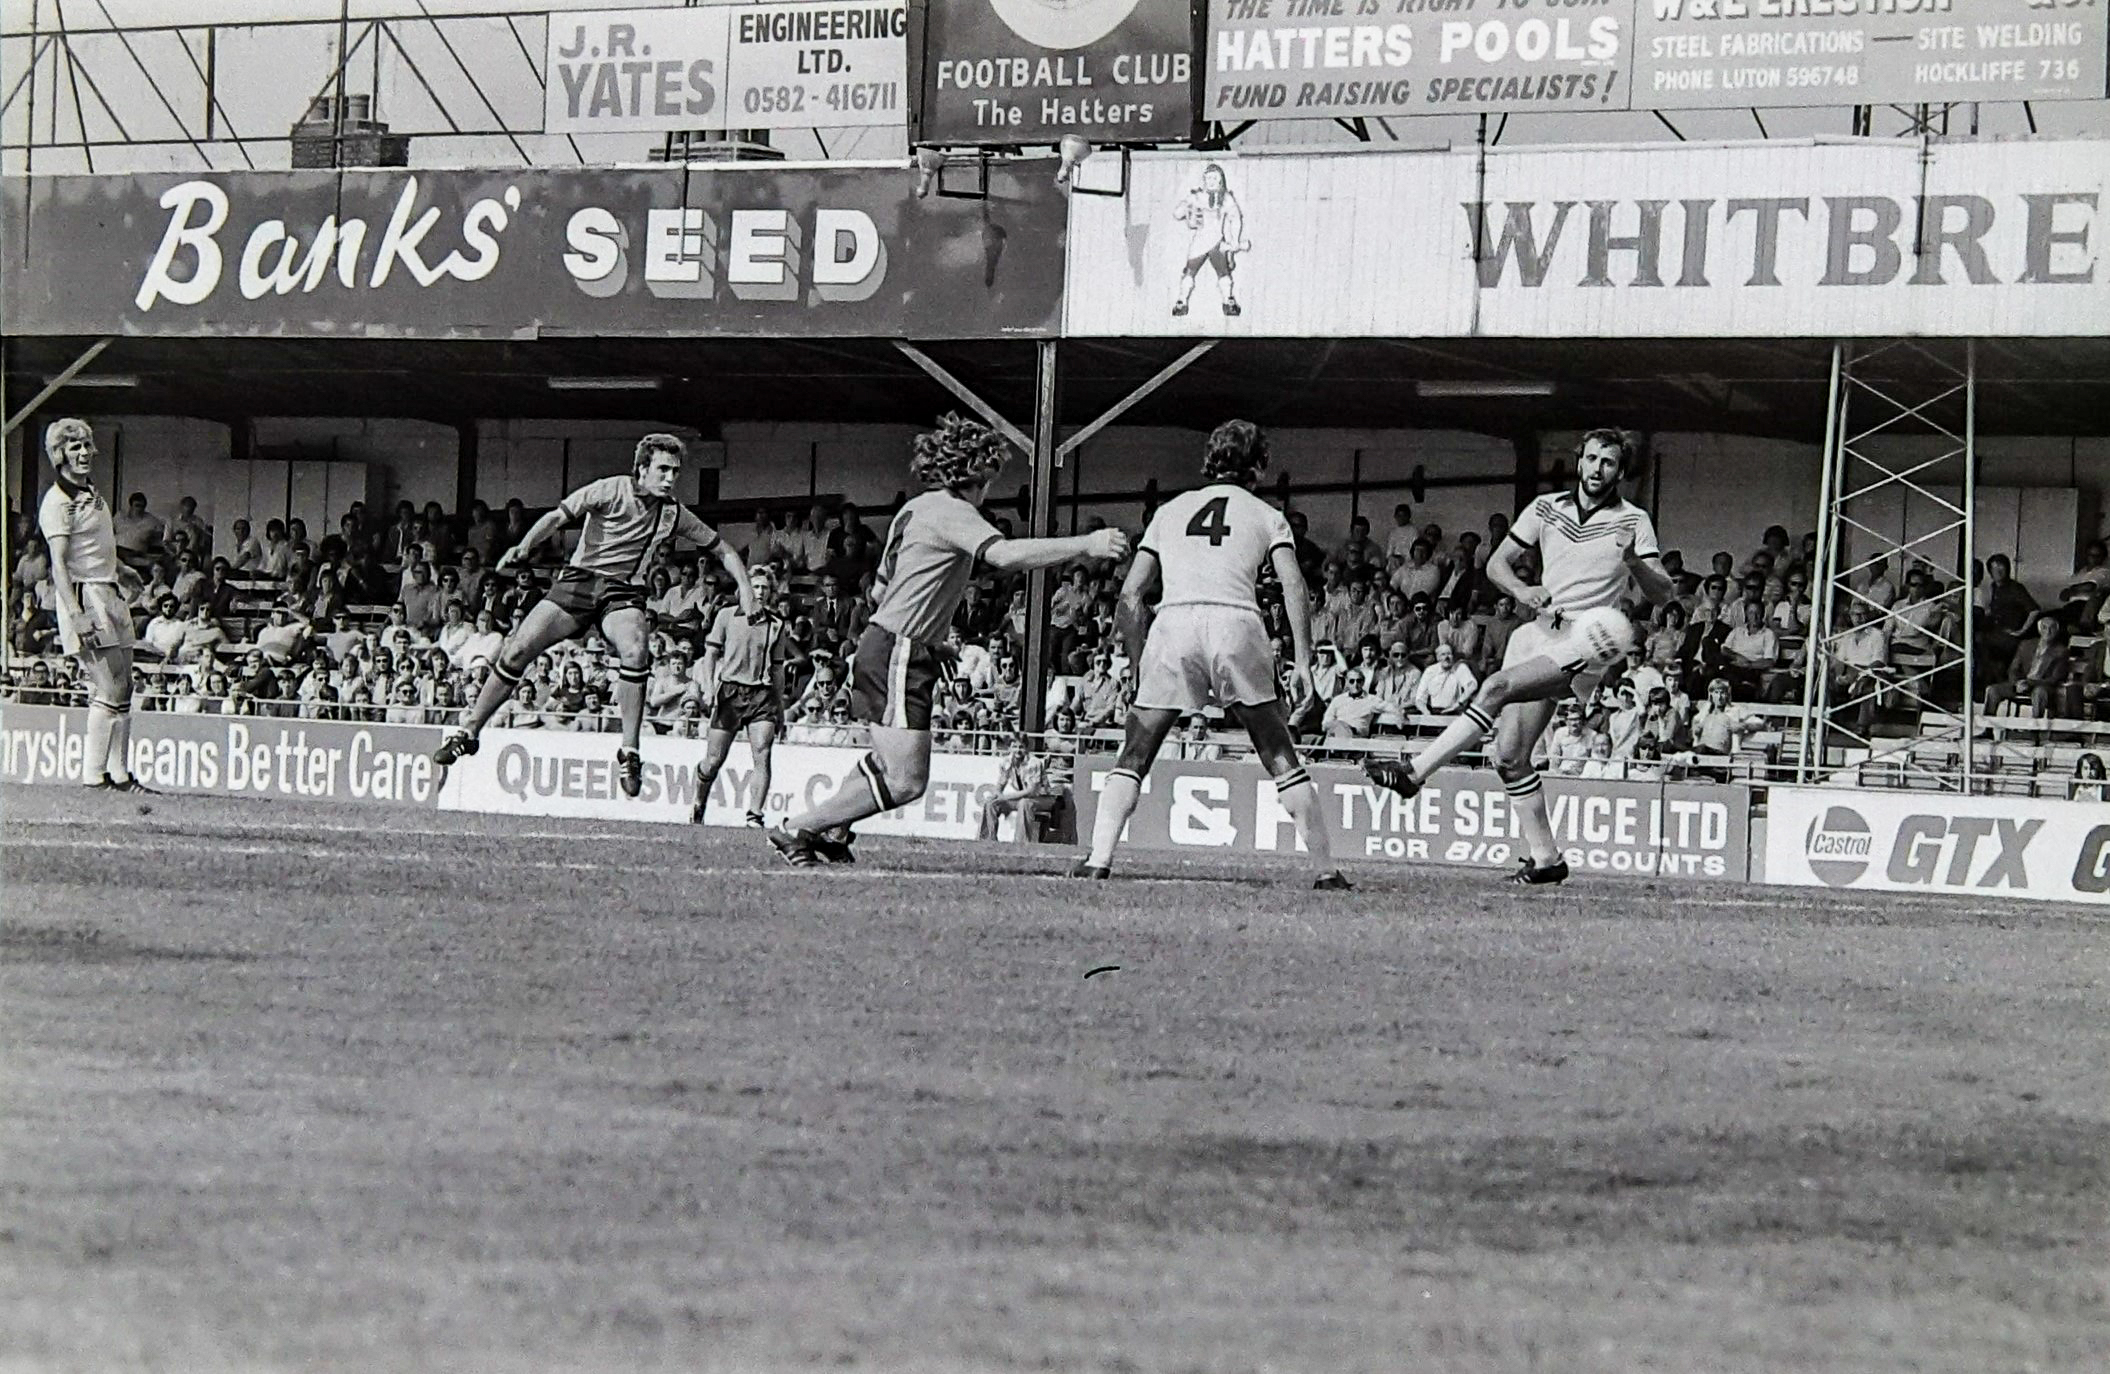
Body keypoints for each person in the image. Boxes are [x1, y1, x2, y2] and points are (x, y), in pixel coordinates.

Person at [769, 414, 1128, 866]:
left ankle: (830, 831)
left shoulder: (915, 508)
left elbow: (882, 587)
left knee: (888, 766)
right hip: (898, 649)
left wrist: (931, 635)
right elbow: (1004, 556)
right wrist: (1086, 544)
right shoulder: (955, 513)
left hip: (893, 644)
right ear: (981, 469)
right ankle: (799, 827)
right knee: (906, 781)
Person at [1363, 429, 1676, 886]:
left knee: (1494, 687)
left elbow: (1664, 592)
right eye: (1590, 458)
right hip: (1535, 633)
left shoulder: (1633, 520)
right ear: (1580, 460)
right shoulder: (1546, 508)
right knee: (1509, 757)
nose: (1596, 469)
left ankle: (1414, 772)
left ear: (1620, 471)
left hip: (1585, 643)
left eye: (1608, 462)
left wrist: (1634, 562)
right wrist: (1522, 589)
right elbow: (1496, 565)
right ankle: (1547, 860)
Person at [1069, 419, 1347, 888]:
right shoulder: (1266, 515)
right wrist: (1302, 660)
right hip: (1235, 620)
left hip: (1174, 620)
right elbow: (1292, 583)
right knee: (1276, 746)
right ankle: (1325, 871)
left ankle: (1098, 860)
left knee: (1137, 748)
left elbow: (1131, 596)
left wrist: (1139, 664)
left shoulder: (1171, 511)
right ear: (1258, 465)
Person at [433, 435, 750, 794]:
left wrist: (747, 591)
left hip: (622, 591)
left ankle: (630, 751)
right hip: (578, 582)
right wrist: (524, 546)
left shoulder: (672, 512)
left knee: (635, 649)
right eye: (662, 469)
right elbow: (557, 516)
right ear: (641, 469)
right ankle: (469, 730)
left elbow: (722, 548)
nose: (669, 478)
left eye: (675, 472)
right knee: (518, 648)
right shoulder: (610, 490)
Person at [36, 419, 156, 791]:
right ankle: (94, 776)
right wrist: (76, 614)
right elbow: (59, 563)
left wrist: (120, 569)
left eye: (87, 445)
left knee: (125, 685)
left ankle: (120, 775)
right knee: (109, 686)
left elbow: (92, 547)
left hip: (109, 592)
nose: (85, 453)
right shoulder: (59, 502)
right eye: (75, 447)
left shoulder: (91, 493)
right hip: (87, 597)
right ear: (60, 455)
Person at [688, 565, 794, 829]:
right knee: (713, 761)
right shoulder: (726, 616)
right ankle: (699, 803)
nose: (759, 592)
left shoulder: (776, 624)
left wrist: (780, 706)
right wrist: (710, 688)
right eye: (755, 586)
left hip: (762, 694)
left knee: (763, 752)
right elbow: (710, 654)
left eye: (764, 588)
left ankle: (754, 815)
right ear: (744, 589)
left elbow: (778, 667)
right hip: (730, 691)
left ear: (771, 593)